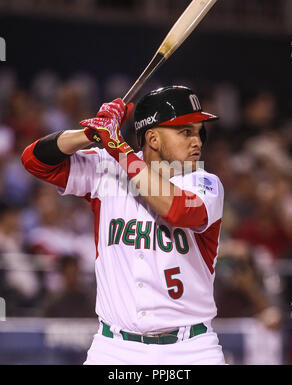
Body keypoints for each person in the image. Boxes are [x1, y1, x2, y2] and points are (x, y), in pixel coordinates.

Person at [21, 85, 226, 365]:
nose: (197, 141)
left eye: (199, 131)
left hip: (189, 348)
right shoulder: (108, 168)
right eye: (185, 132)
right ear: (152, 138)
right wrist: (89, 134)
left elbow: (177, 211)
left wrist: (117, 146)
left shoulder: (205, 183)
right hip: (113, 348)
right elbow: (35, 161)